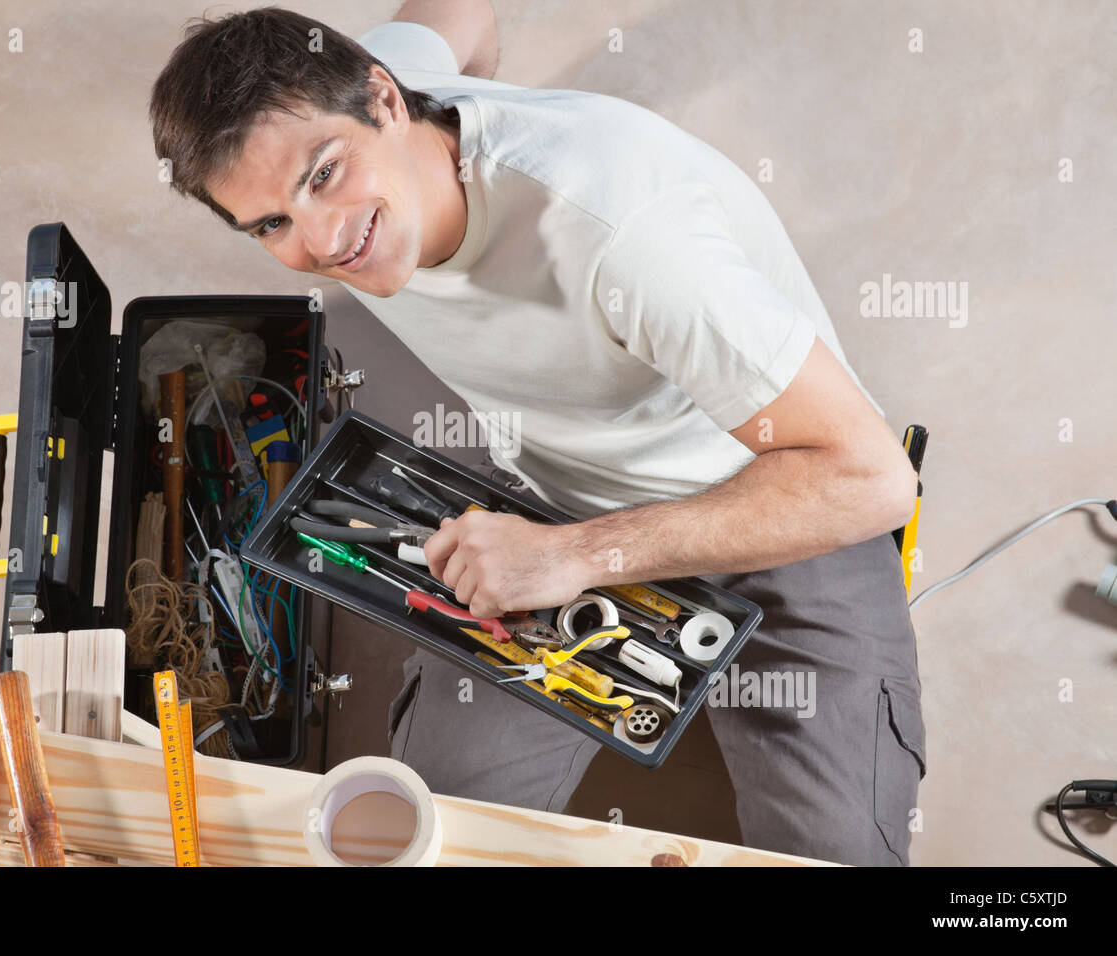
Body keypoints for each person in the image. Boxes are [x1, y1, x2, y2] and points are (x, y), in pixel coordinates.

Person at [149, 2, 926, 865]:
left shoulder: (627, 235)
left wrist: (579, 558)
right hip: (560, 505)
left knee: (835, 856)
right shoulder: (388, 90)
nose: (324, 241)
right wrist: (556, 548)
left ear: (385, 101)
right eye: (270, 225)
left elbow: (872, 479)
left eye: (324, 175)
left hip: (784, 499)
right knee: (423, 836)